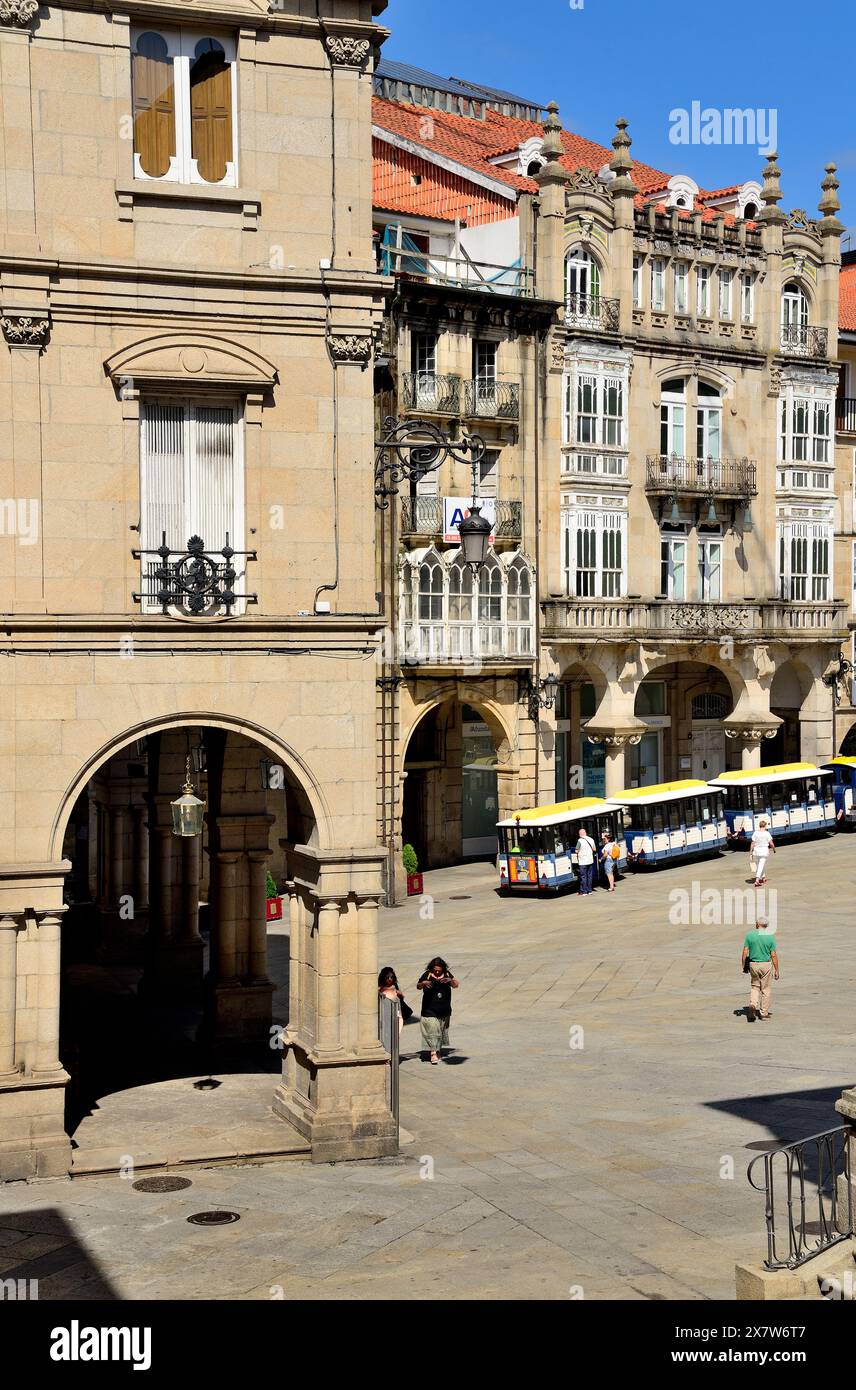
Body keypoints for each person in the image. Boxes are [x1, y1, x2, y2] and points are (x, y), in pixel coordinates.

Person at [417, 956, 459, 1064]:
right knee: (433, 1030)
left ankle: (438, 1051)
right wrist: (424, 983)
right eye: (435, 969)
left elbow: (456, 985)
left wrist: (450, 980)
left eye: (438, 970)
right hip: (429, 1009)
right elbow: (418, 986)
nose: (436, 972)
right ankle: (433, 1053)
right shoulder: (427, 974)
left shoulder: (447, 974)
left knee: (440, 1031)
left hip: (444, 1009)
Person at [741, 915, 780, 1021]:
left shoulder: (750, 935)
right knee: (766, 989)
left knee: (755, 986)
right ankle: (763, 1013)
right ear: (766, 925)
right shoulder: (770, 936)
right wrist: (777, 970)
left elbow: (745, 951)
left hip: (753, 964)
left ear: (758, 924)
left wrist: (744, 965)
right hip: (766, 965)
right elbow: (773, 955)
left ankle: (753, 1005)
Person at [378, 966, 410, 1035]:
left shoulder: (394, 986)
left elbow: (400, 1002)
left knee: (395, 1036)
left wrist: (401, 995)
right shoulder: (380, 989)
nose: (390, 979)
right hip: (385, 1016)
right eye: (387, 977)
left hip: (396, 1015)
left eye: (391, 977)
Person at [749, 818, 775, 886]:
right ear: (765, 826)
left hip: (757, 851)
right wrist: (774, 849)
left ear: (759, 826)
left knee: (760, 864)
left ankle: (763, 878)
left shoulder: (755, 833)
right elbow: (771, 843)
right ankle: (757, 880)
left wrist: (750, 852)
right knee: (761, 865)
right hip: (764, 851)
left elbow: (752, 843)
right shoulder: (767, 833)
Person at [575, 825, 597, 895]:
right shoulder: (591, 839)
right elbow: (594, 849)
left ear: (581, 834)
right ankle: (590, 890)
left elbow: (576, 850)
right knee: (589, 876)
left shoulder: (580, 841)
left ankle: (584, 891)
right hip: (590, 860)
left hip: (582, 861)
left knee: (583, 876)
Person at [599, 828, 618, 892]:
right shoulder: (614, 843)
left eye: (605, 839)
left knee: (609, 874)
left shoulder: (607, 846)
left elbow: (605, 854)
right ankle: (611, 885)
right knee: (611, 873)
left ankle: (611, 887)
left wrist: (601, 859)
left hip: (608, 861)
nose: (604, 840)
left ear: (608, 839)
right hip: (614, 860)